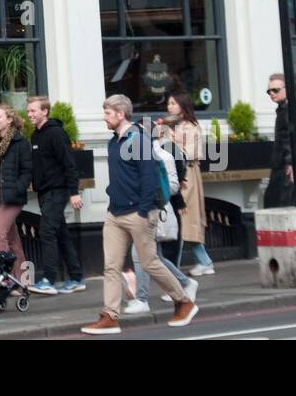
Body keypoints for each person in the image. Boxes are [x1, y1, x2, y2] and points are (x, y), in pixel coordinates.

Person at [82, 95, 197, 335]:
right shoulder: (114, 142)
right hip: (115, 213)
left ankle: (184, 301)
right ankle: (110, 316)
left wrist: (144, 210)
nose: (104, 118)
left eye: (108, 113)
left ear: (121, 114)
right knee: (111, 266)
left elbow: (149, 178)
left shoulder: (138, 140)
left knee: (149, 262)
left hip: (139, 212)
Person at [25, 96, 85, 295]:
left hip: (57, 191)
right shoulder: (35, 135)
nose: (29, 114)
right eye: (28, 111)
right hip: (44, 192)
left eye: (33, 110)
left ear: (45, 111)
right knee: (61, 234)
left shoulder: (56, 133)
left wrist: (74, 192)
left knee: (47, 232)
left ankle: (49, 280)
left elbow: (69, 163)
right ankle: (76, 278)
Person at [163, 91, 214, 276]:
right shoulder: (168, 127)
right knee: (182, 219)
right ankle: (204, 261)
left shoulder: (191, 127)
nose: (169, 107)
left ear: (183, 106)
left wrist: (174, 143)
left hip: (187, 175)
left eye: (173, 103)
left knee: (185, 217)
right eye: (169, 103)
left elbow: (193, 153)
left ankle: (174, 268)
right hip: (172, 174)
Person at [0, 102, 31, 288]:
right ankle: (25, 281)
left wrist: (17, 188)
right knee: (13, 240)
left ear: (9, 120)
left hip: (12, 197)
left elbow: (27, 171)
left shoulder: (20, 143)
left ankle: (8, 280)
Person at [264, 73, 296, 208]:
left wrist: (292, 163)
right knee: (273, 203)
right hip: (281, 166)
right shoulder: (283, 109)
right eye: (269, 91)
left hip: (288, 168)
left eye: (275, 90)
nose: (272, 94)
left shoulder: (293, 109)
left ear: (287, 89)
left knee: (285, 205)